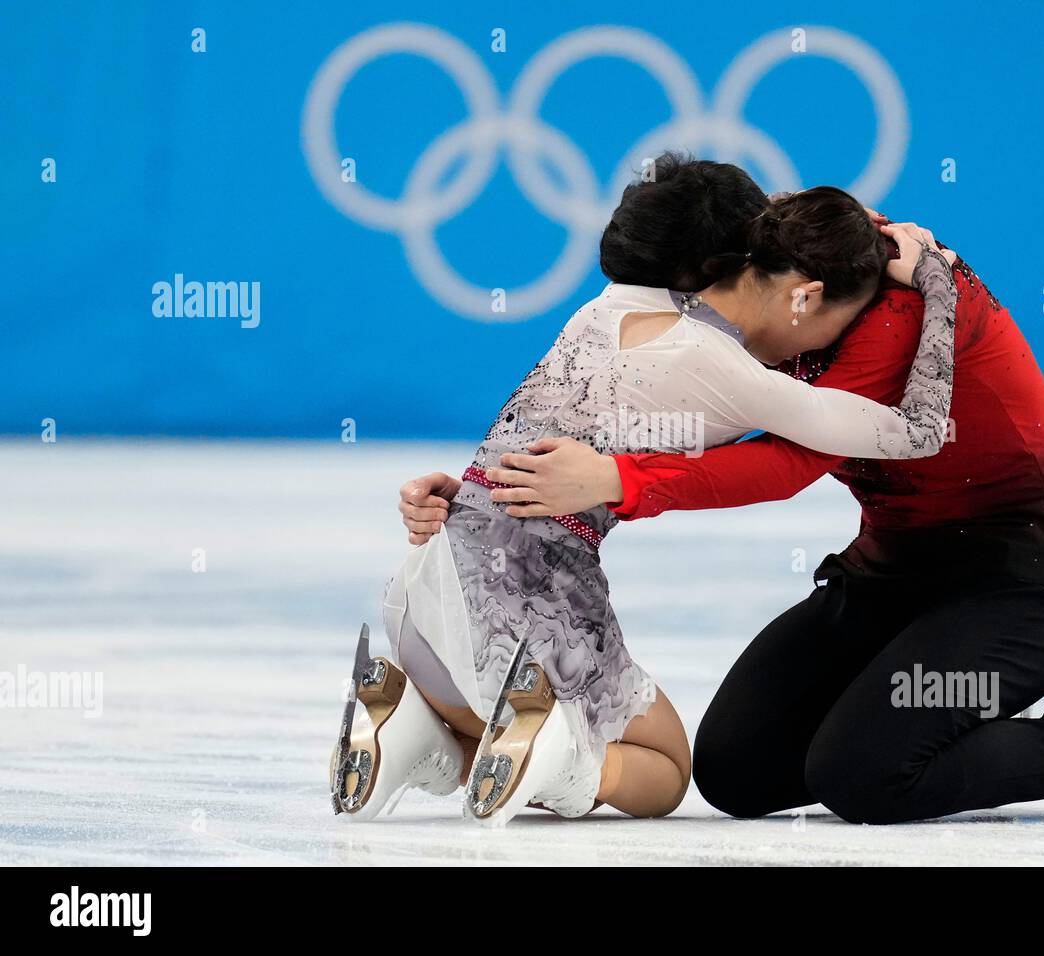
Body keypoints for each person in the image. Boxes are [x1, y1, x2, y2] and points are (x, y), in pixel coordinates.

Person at [402, 196, 1044, 826]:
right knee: (735, 771)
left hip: (1015, 583)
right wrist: (488, 493)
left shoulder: (893, 315)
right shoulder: (791, 262)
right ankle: (905, 720)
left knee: (865, 775)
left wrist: (616, 480)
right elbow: (633, 396)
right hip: (889, 576)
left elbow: (792, 461)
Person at [336, 158, 960, 826]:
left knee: (515, 727)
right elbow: (922, 430)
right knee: (664, 770)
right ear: (795, 289)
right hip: (511, 630)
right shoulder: (727, 370)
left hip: (423, 595)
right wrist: (937, 277)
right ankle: (553, 748)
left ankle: (415, 739)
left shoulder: (599, 310)